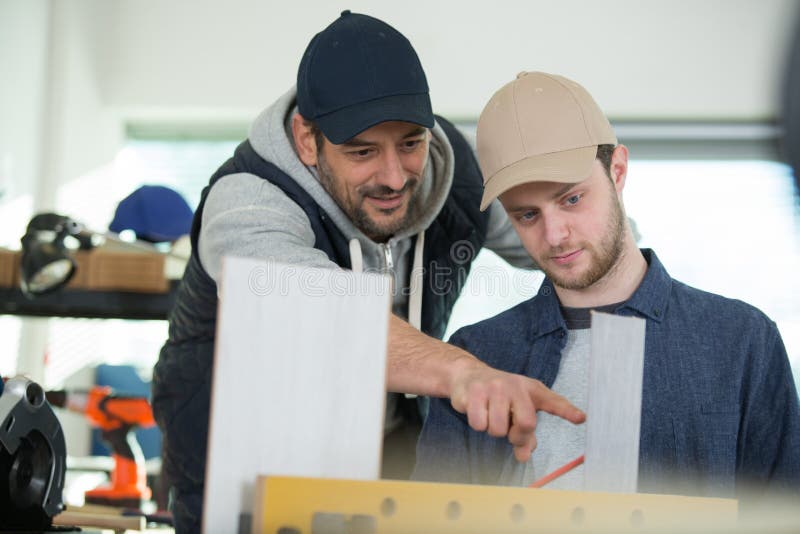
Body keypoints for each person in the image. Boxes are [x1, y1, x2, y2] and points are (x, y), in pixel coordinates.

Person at [152, 14, 584, 531]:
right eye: (362, 151)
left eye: (411, 143)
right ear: (307, 139)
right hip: (244, 476)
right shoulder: (247, 204)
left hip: (387, 466)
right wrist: (464, 373)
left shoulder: (460, 174)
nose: (395, 177)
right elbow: (327, 318)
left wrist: (606, 237)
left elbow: (566, 240)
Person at [413, 71, 800, 499]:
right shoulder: (477, 356)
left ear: (617, 170)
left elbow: (782, 514)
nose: (554, 235)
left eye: (571, 199)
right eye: (527, 215)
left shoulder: (741, 341)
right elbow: (431, 518)